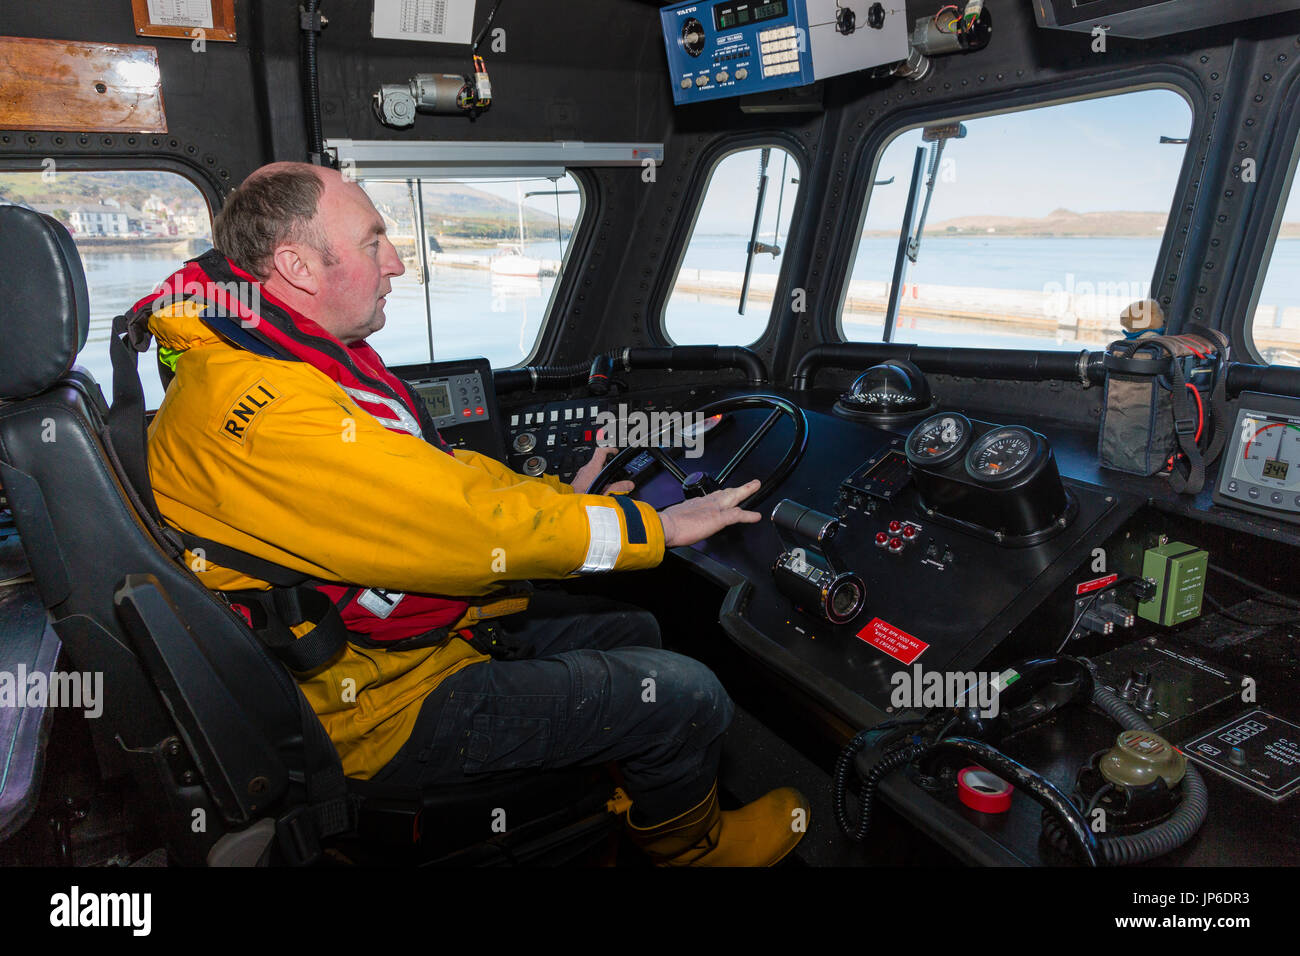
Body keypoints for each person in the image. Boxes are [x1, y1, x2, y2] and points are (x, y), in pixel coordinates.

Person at [137, 161, 808, 866]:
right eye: (373, 242)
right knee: (689, 695)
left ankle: (624, 789)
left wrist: (567, 503)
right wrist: (661, 528)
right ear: (298, 266)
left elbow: (442, 481)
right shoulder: (273, 413)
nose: (396, 263)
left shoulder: (251, 363)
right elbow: (469, 528)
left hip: (380, 656)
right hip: (377, 710)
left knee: (634, 624)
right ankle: (691, 850)